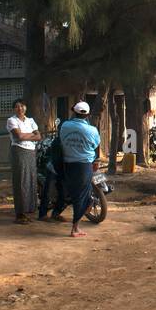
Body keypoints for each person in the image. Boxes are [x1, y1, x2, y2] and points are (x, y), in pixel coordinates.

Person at [56, 101, 102, 238]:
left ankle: (75, 224)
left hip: (68, 165)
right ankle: (74, 228)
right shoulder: (92, 130)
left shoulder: (64, 126)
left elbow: (61, 140)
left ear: (73, 112)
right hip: (84, 166)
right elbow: (96, 145)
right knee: (82, 197)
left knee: (77, 195)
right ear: (87, 115)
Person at [7, 99, 41, 225]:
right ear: (14, 109)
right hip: (19, 152)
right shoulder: (11, 120)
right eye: (16, 106)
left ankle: (28, 211)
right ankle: (19, 214)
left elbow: (39, 136)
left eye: (22, 105)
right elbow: (18, 137)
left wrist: (25, 135)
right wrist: (30, 135)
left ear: (25, 107)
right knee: (20, 181)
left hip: (31, 152)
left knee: (31, 180)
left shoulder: (30, 120)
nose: (19, 108)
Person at [36, 130, 63, 222]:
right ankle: (42, 214)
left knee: (63, 192)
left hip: (62, 169)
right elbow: (56, 160)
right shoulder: (57, 142)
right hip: (54, 169)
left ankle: (56, 213)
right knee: (48, 192)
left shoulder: (70, 141)